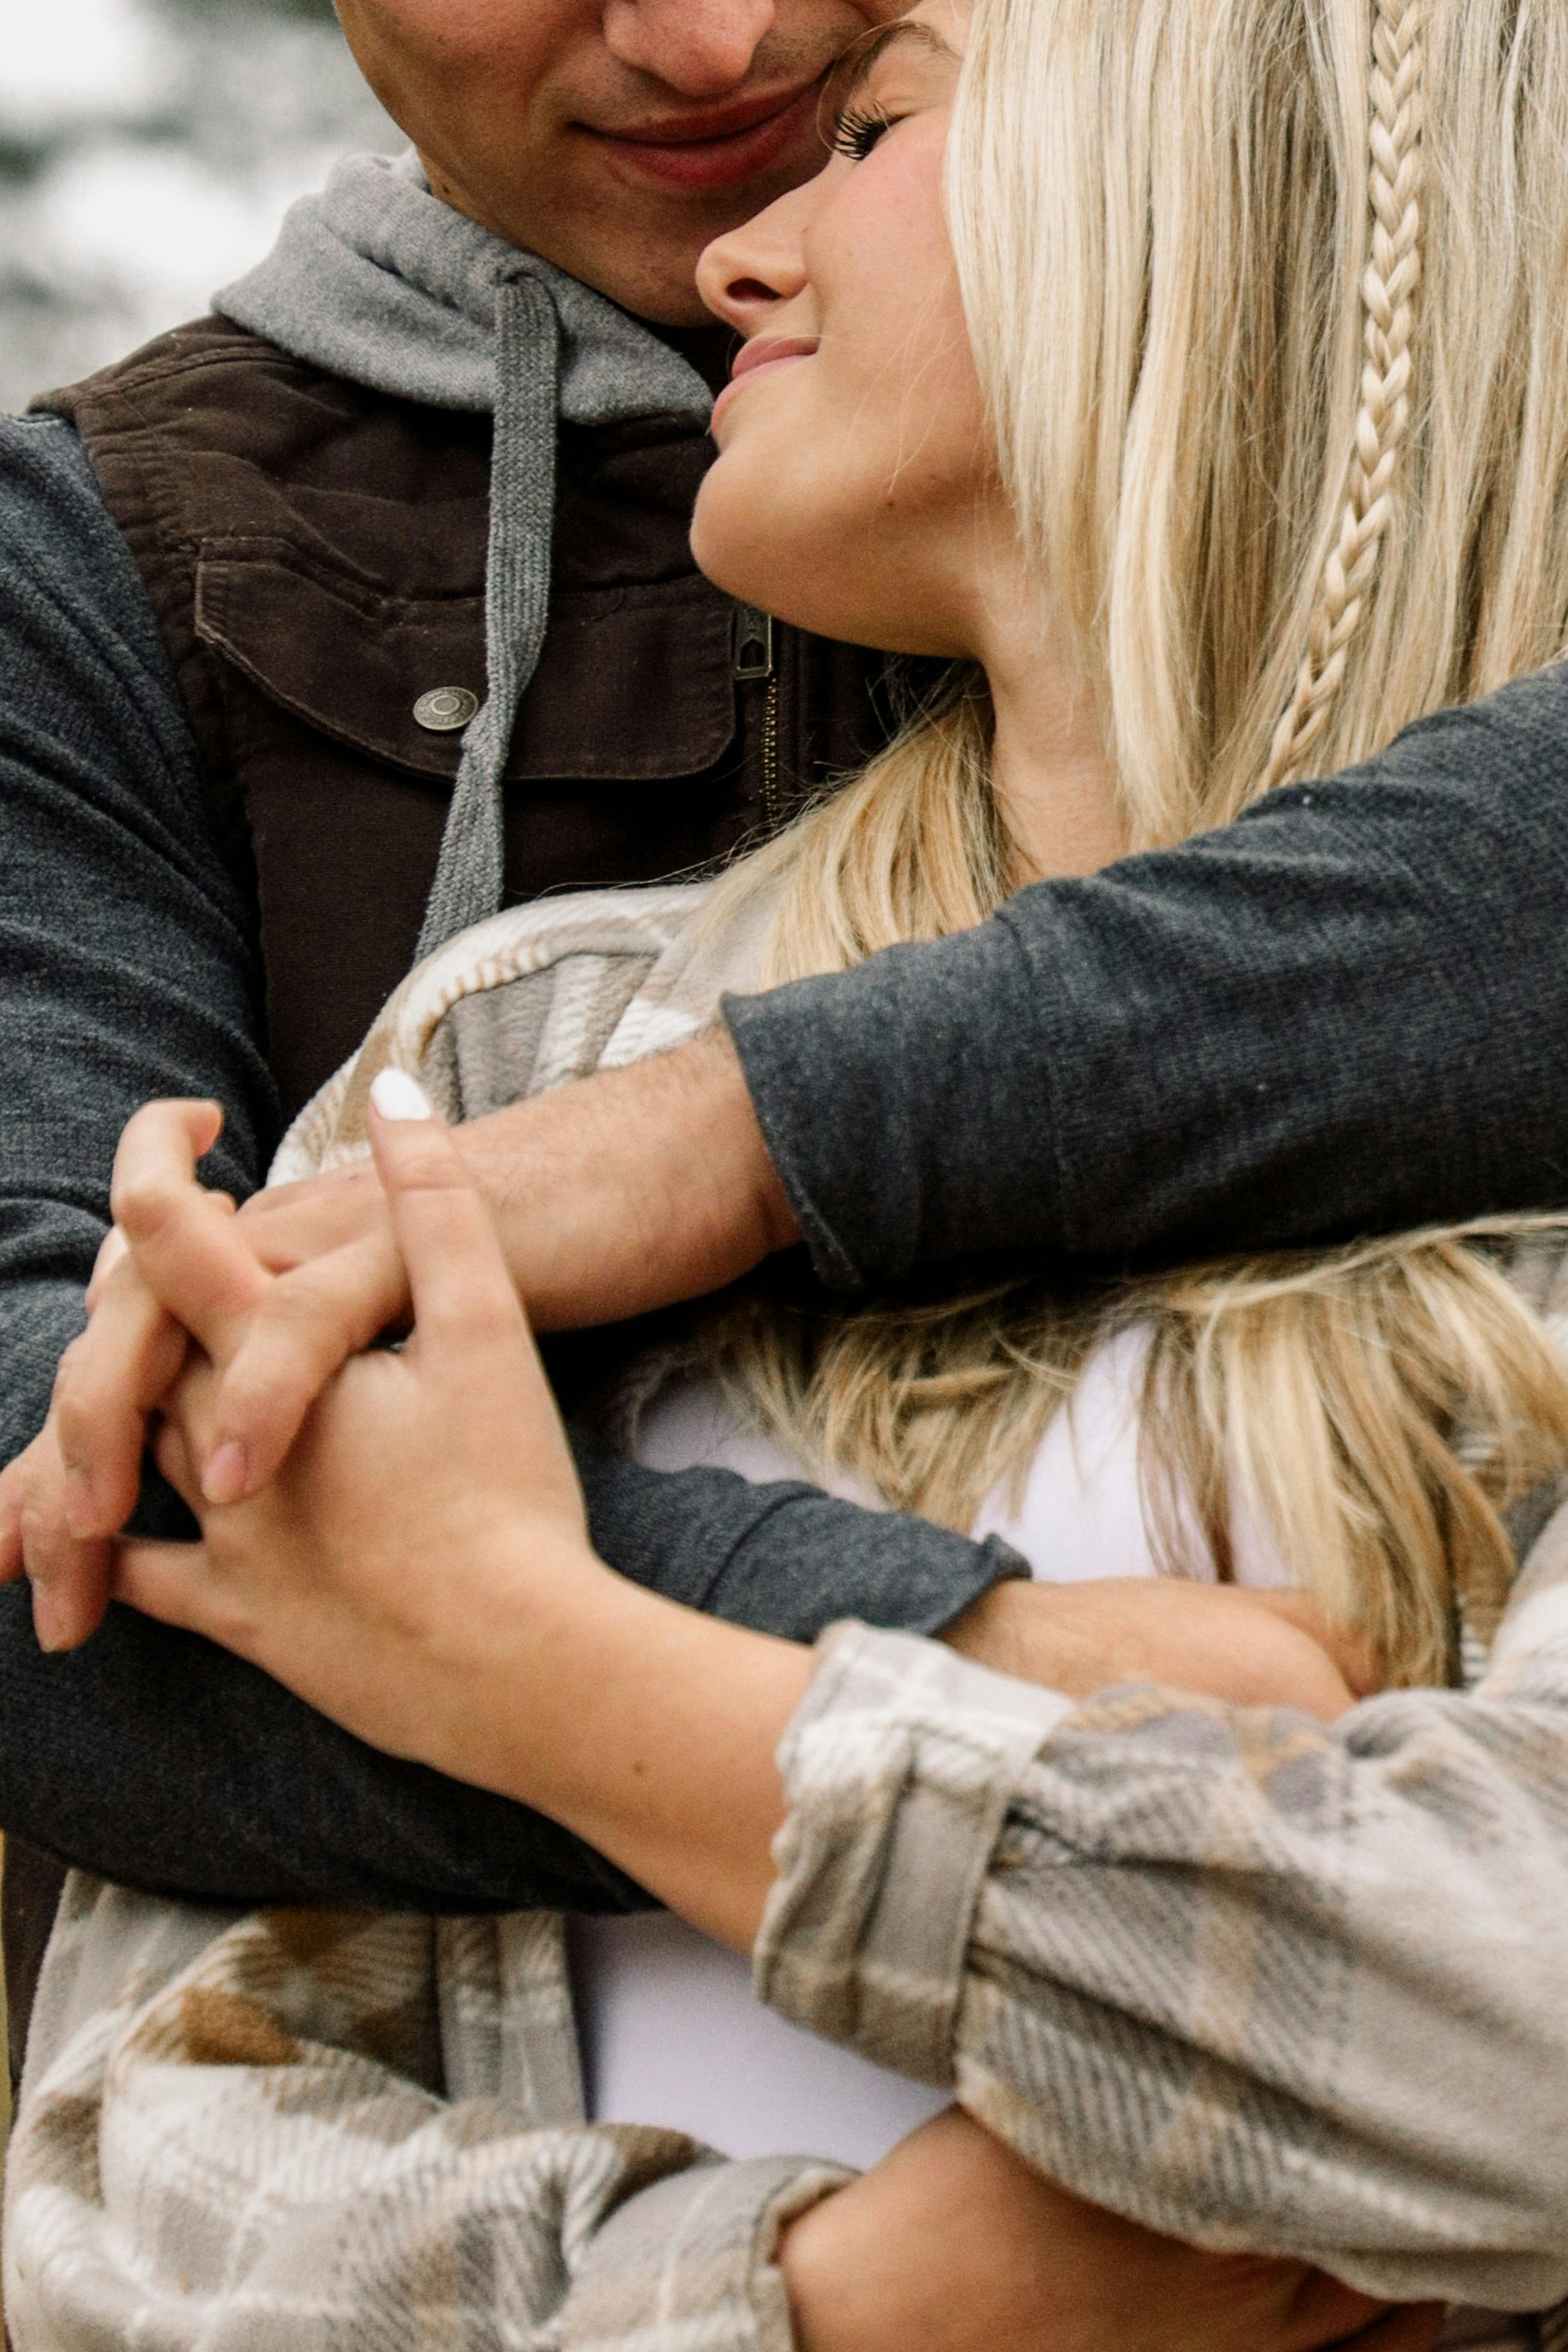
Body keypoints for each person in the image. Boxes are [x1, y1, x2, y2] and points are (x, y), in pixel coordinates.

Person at [8, 0, 1568, 2344]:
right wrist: (790, 2301)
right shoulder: (493, 1043)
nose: (727, 63)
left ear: (1236, 188)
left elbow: (1520, 2019)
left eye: (873, 123)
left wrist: (534, 1647)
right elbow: (127, 2177)